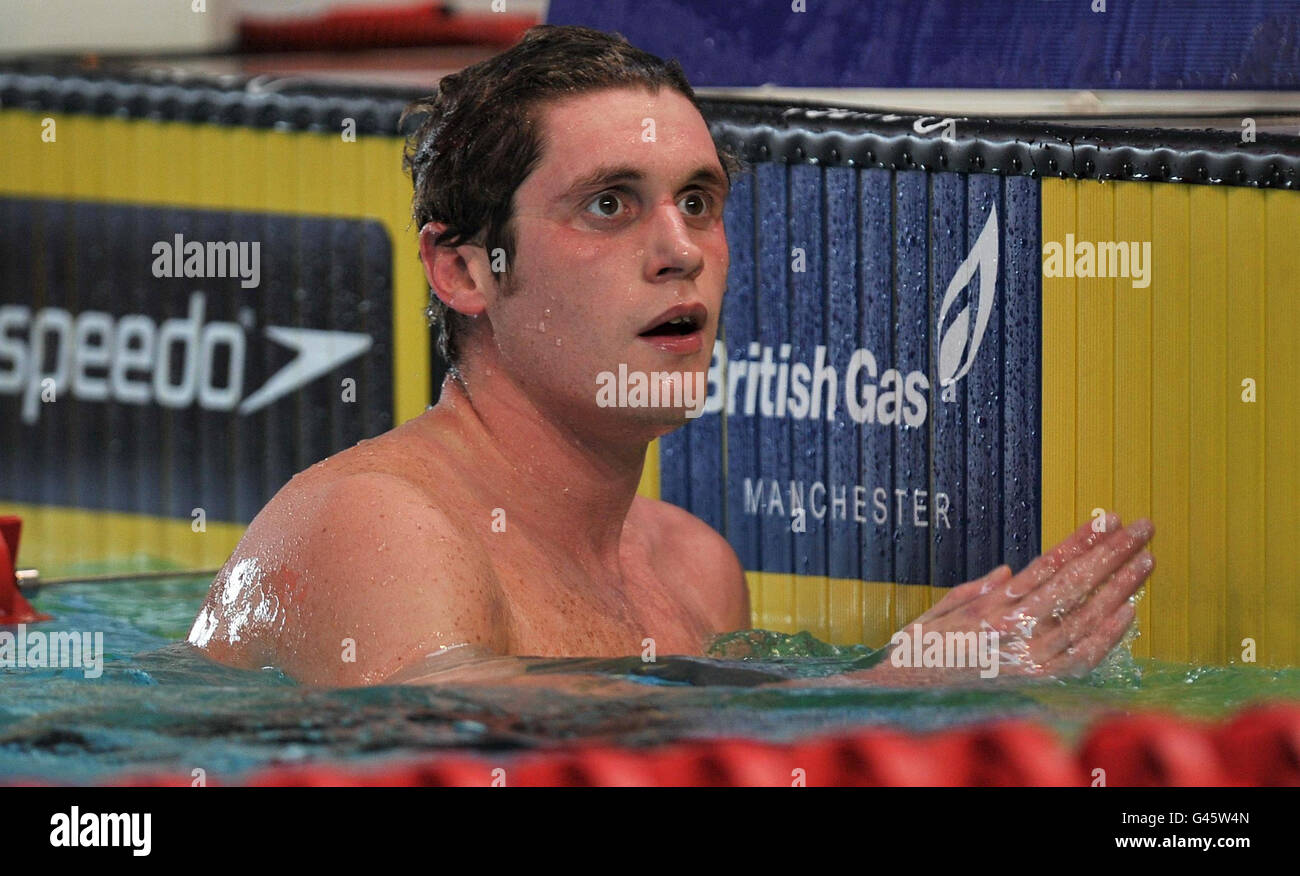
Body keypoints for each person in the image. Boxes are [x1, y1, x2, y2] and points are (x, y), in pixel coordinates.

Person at [188, 25, 1155, 688]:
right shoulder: (377, 525)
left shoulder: (693, 570)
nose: (680, 249)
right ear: (464, 270)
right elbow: (468, 758)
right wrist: (885, 688)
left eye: (697, 200)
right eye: (609, 204)